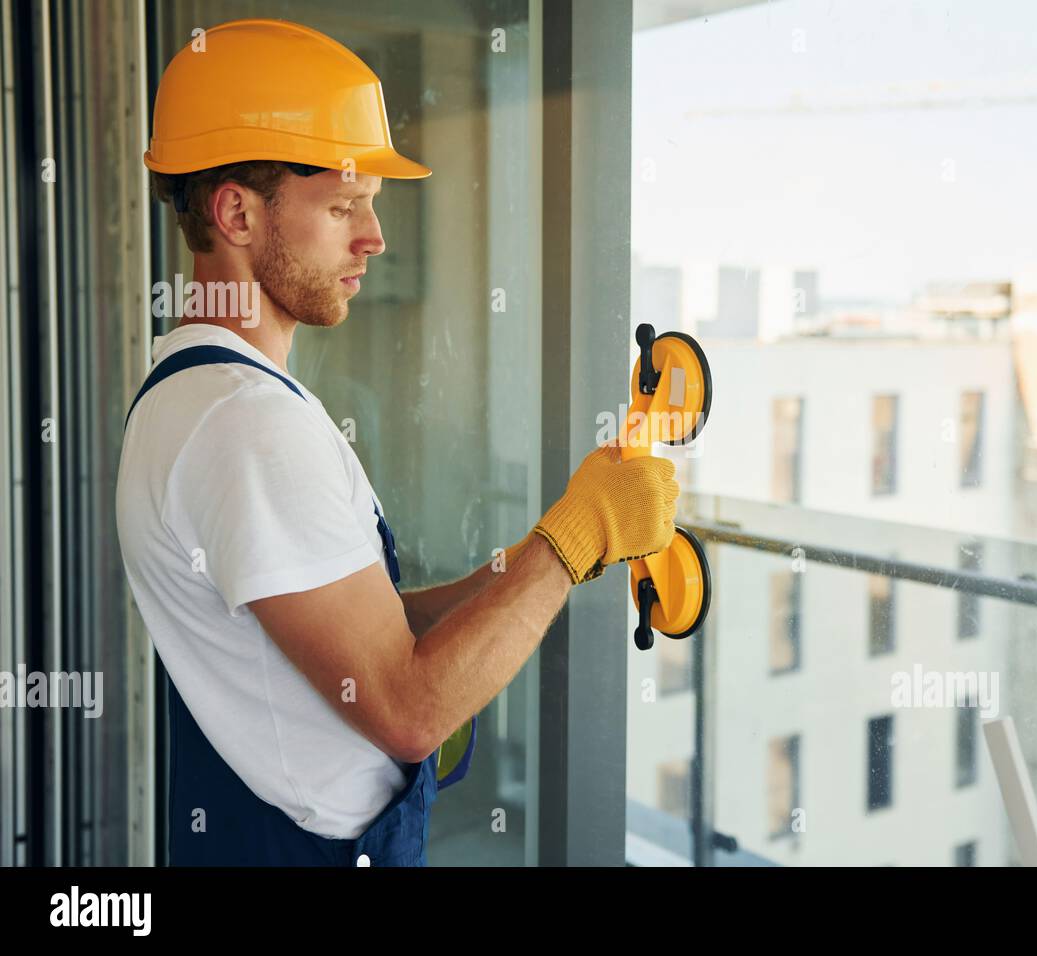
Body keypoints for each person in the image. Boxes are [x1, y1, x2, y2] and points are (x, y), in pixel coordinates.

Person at [115, 18, 678, 867]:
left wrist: (535, 554)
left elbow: (366, 630)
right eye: (344, 206)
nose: (374, 237)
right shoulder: (243, 426)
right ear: (237, 210)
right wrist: (575, 541)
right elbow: (409, 705)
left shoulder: (200, 392)